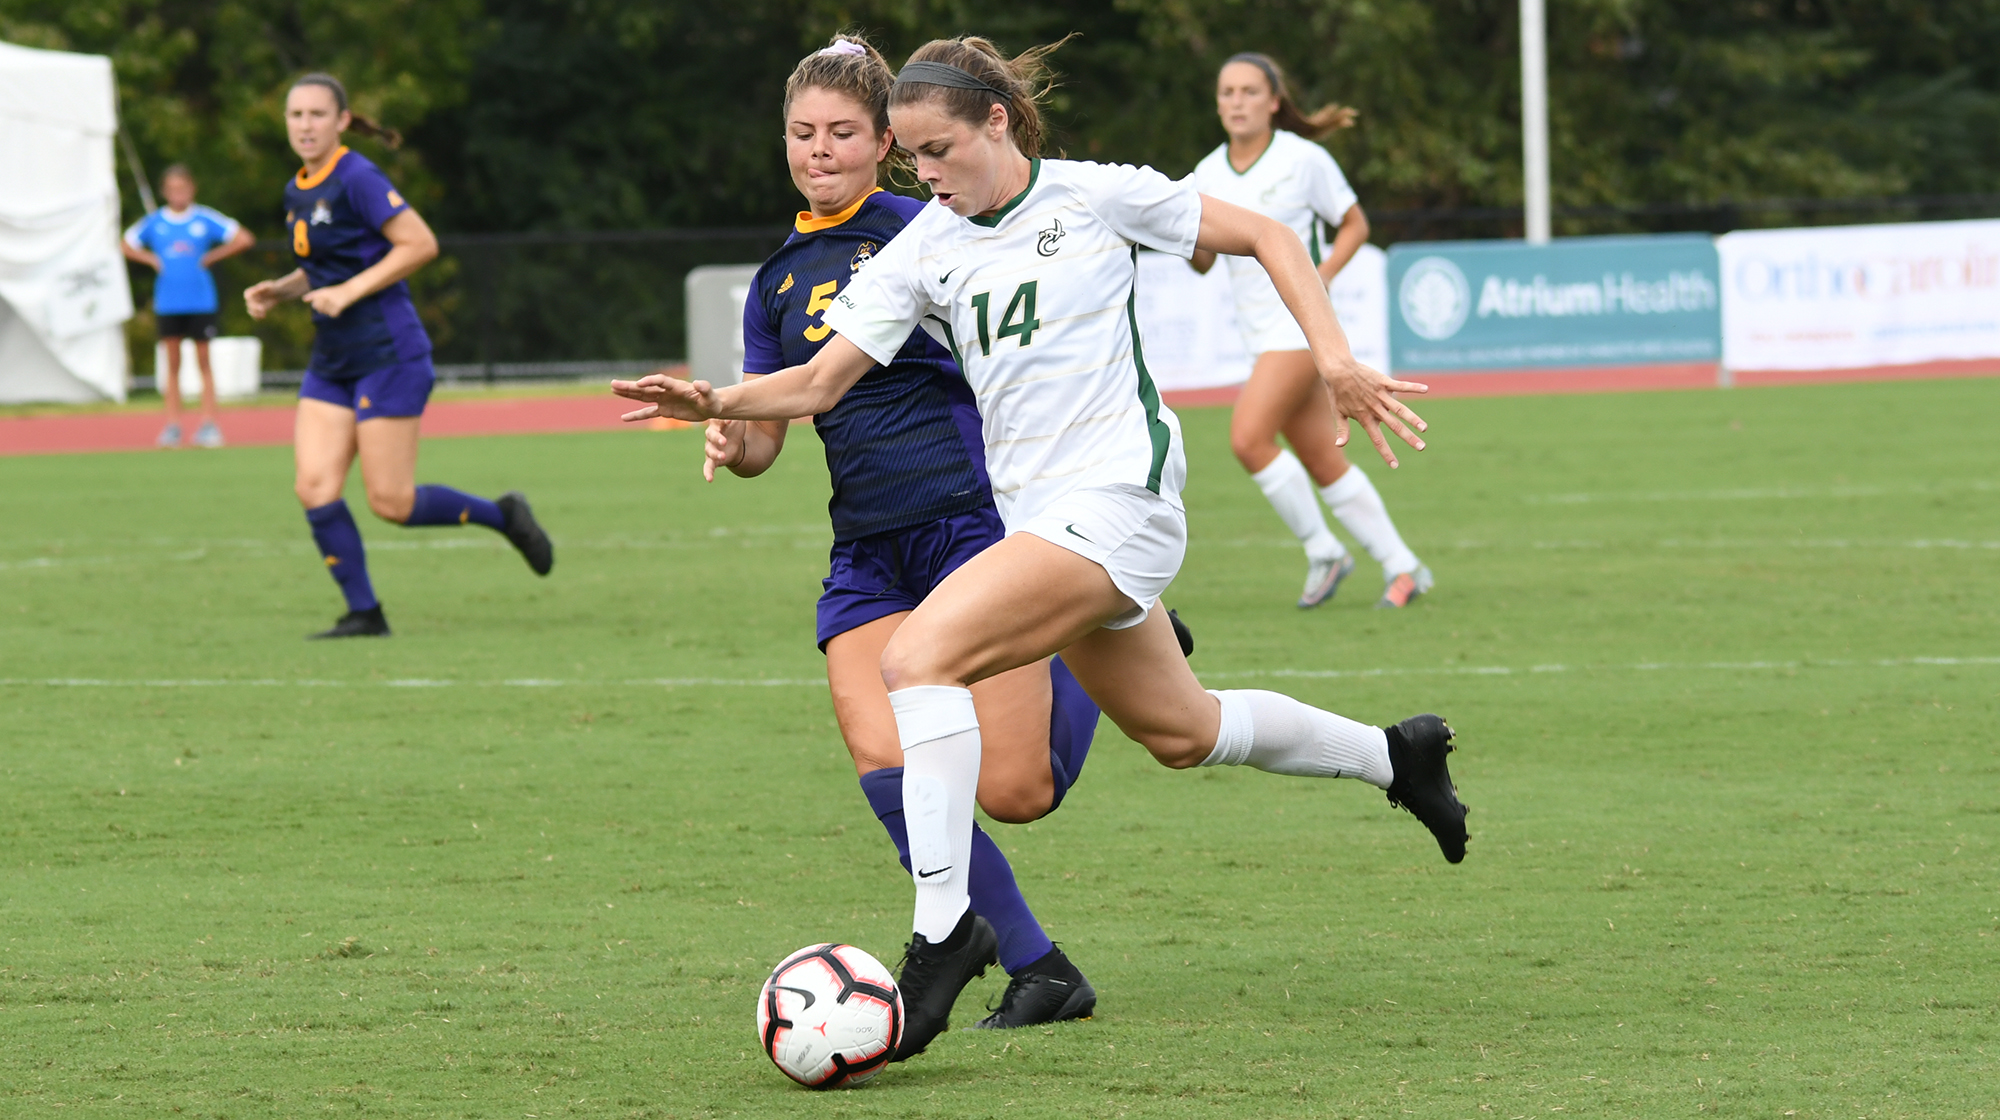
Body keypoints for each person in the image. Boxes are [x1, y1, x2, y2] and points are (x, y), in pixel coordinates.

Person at [614, 35, 1470, 1036]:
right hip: (1041, 525)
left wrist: (1332, 360)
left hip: (1121, 502)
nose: (927, 174)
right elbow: (814, 383)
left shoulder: (1096, 194)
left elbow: (1272, 237)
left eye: (938, 151)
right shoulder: (926, 245)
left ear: (996, 122)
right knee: (1184, 733)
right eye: (912, 158)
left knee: (917, 658)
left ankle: (943, 935)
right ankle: (1394, 756)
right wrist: (716, 399)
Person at [701, 34, 1122, 1060]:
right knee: (885, 769)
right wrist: (729, 432)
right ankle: (1039, 966)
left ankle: (1098, 634)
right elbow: (769, 436)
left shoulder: (924, 227)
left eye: (842, 133)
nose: (819, 150)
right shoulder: (774, 281)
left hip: (968, 524)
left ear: (885, 141)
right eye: (802, 133)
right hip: (866, 551)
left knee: (1017, 791)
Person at [244, 74, 553, 639]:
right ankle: (365, 613)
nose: (305, 125)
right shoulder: (297, 189)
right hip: (332, 360)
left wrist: (348, 293)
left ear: (342, 121)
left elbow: (420, 243)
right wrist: (280, 290)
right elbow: (326, 267)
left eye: (317, 114)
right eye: (296, 115)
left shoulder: (357, 176)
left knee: (391, 502)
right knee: (314, 488)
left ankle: (503, 515)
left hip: (388, 353)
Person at [1189, 53, 1432, 609]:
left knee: (1248, 438)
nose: (1237, 102)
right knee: (1323, 458)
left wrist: (1320, 275)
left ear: (1275, 102)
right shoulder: (1207, 172)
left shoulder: (1303, 159)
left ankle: (1324, 550)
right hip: (1259, 333)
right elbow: (1202, 262)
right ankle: (1404, 566)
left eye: (1250, 91)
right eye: (1227, 92)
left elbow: (1355, 224)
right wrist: (1176, 232)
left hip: (1300, 325)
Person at [122, 165, 255, 448]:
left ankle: (209, 425)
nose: (178, 194)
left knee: (204, 362)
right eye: (172, 189)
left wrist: (213, 256)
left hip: (200, 301)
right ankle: (172, 425)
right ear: (164, 191)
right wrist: (150, 259)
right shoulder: (155, 222)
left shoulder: (204, 218)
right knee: (172, 365)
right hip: (168, 302)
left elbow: (244, 238)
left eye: (182, 188)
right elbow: (125, 243)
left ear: (192, 189)